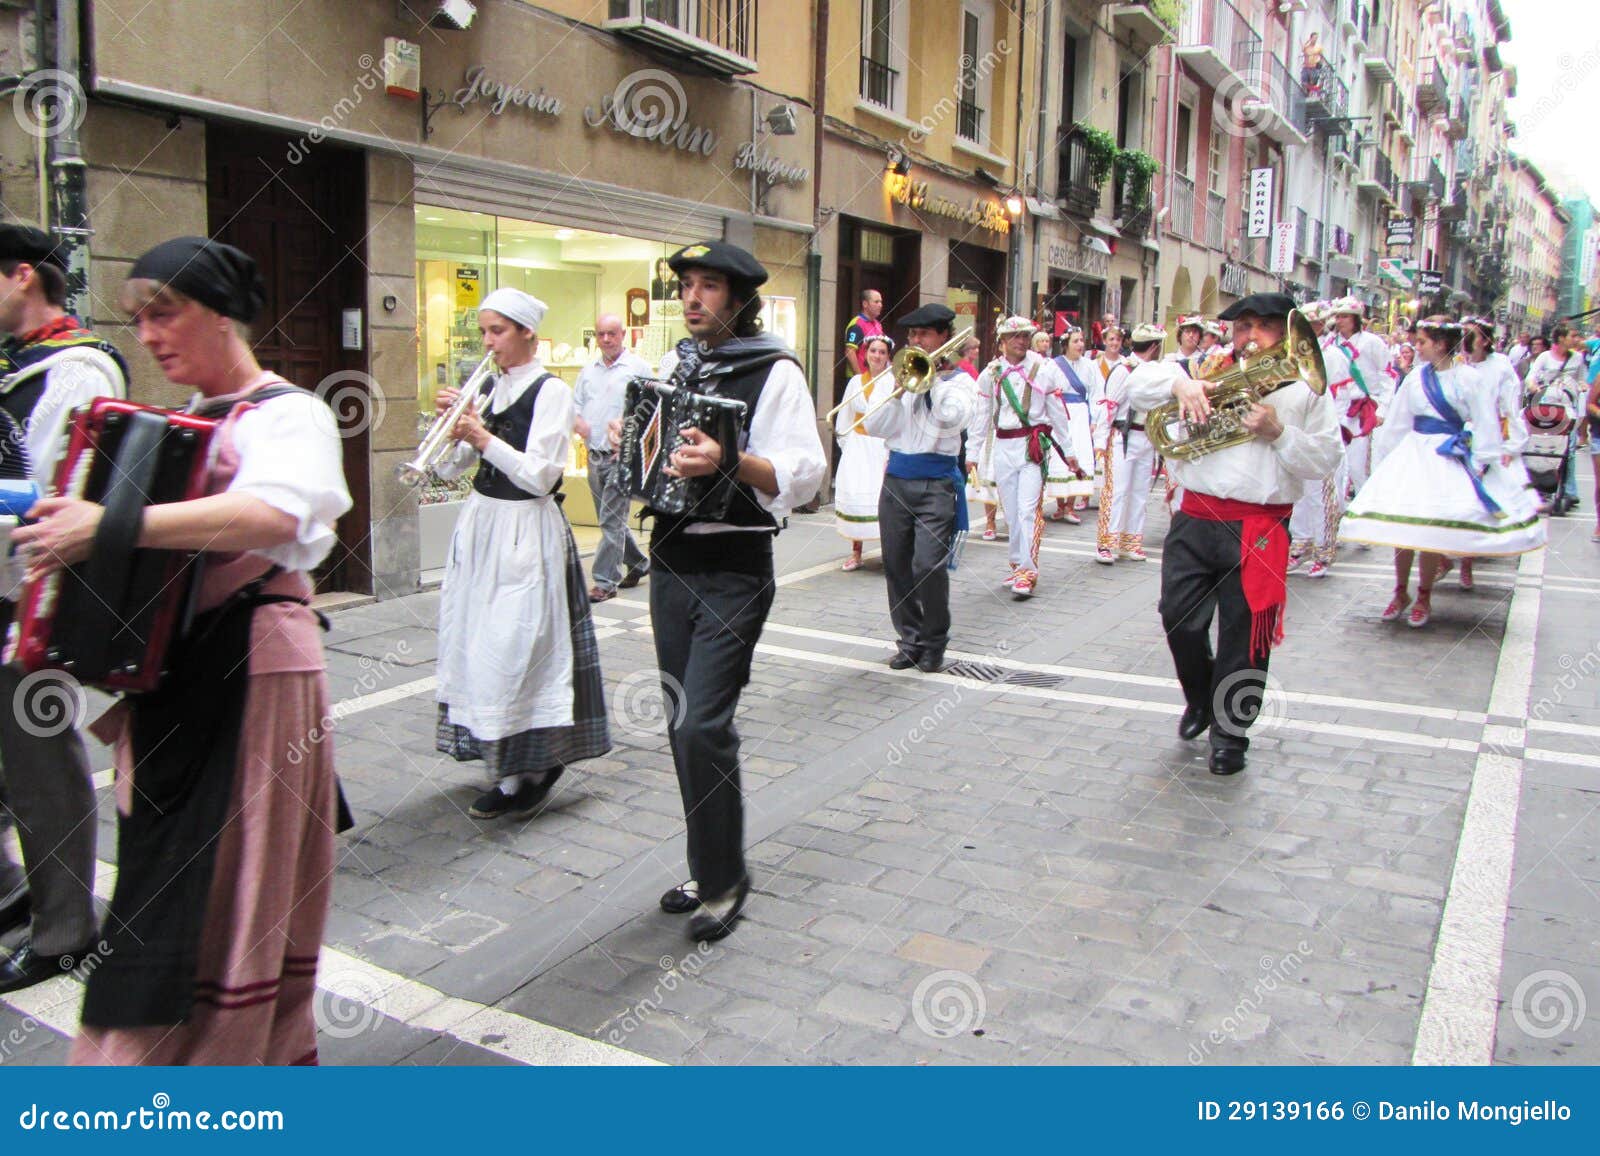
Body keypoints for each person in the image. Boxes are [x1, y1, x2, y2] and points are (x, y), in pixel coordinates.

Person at [14, 236, 351, 1062]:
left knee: (223, 886)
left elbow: (279, 514)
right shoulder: (180, 423)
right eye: (139, 320)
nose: (151, 336)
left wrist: (112, 527)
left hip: (255, 675)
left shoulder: (289, 412)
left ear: (225, 314)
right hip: (178, 681)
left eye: (166, 312)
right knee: (167, 882)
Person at [618, 241, 824, 942]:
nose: (694, 299)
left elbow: (804, 472)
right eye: (687, 287)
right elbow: (655, 461)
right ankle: (707, 868)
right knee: (681, 726)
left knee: (704, 723)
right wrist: (631, 439)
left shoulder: (772, 370)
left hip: (735, 567)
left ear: (738, 299)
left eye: (709, 287)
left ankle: (727, 878)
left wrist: (733, 458)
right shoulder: (677, 366)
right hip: (671, 561)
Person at [1130, 293, 1342, 776]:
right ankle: (1201, 698)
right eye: (1243, 327)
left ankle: (1231, 735)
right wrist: (1182, 384)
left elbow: (1325, 460)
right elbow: (1138, 384)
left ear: (1286, 335)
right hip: (1196, 515)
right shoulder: (1208, 368)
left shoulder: (1307, 390)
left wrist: (1280, 433)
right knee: (1177, 618)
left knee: (1246, 639)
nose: (1250, 337)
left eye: (1263, 327)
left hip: (1260, 525)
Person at [0, 224, 127, 994]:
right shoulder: (15, 369)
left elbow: (52, 497)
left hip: (28, 597)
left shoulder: (76, 369)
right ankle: (14, 890)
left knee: (38, 765)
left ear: (22, 277)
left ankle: (65, 930)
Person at [434, 288, 611, 820]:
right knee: (478, 645)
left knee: (517, 650)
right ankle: (506, 765)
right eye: (485, 331)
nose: (488, 342)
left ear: (527, 333)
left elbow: (539, 476)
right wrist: (452, 429)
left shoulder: (553, 392)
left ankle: (527, 771)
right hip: (483, 524)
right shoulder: (488, 386)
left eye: (497, 331)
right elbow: (447, 470)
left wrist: (482, 435)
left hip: (524, 530)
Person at [1342, 316, 1545, 627]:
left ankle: (1423, 594)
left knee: (1432, 528)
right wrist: (1387, 456)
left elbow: (1485, 419)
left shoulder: (1468, 379)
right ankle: (1400, 591)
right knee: (1404, 525)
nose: (1417, 347)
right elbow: (1399, 419)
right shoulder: (1414, 378)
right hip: (1415, 452)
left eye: (1422, 341)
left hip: (1448, 455)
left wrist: (1483, 459)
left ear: (1439, 344)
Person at [865, 303, 974, 670]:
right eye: (912, 336)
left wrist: (933, 383)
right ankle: (909, 640)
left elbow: (953, 419)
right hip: (896, 481)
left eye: (923, 335)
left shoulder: (960, 382)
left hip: (936, 484)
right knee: (896, 566)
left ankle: (934, 640)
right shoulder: (895, 376)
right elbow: (876, 426)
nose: (915, 341)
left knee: (927, 565)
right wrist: (897, 391)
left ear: (944, 337)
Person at [972, 316, 1076, 598]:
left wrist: (1070, 453)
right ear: (1002, 341)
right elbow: (981, 417)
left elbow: (1058, 414)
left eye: (1025, 336)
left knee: (1028, 509)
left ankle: (1028, 571)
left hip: (1031, 446)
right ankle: (1018, 563)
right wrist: (972, 453)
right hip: (1004, 447)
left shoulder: (1044, 369)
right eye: (1014, 336)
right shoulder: (991, 373)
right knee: (1011, 510)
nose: (1021, 341)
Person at [573, 312, 652, 603]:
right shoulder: (588, 371)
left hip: (622, 457)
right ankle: (640, 563)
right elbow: (575, 405)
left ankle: (605, 581)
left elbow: (653, 410)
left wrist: (632, 435)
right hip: (594, 456)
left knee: (610, 520)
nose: (606, 339)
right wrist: (577, 423)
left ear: (623, 334)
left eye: (612, 334)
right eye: (601, 334)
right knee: (611, 520)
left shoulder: (637, 368)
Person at [1286, 302, 1353, 580]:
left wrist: (1332, 427)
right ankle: (1300, 545)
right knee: (1299, 492)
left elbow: (1343, 393)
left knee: (1323, 494)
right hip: (1299, 428)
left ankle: (1324, 552)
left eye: (1312, 325)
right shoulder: (1293, 354)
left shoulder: (1334, 355)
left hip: (1320, 430)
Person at [1461, 315, 1529, 581]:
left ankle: (1466, 562)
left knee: (1476, 502)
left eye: (1471, 335)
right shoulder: (1454, 364)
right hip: (1455, 439)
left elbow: (1509, 408)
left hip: (1485, 441)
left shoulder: (1500, 368)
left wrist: (1510, 445)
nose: (1464, 341)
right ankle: (1443, 555)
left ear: (1485, 341)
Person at [1095, 323, 1165, 564]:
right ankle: (1106, 542)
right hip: (1123, 436)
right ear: (1154, 347)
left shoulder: (1155, 371)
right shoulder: (1123, 369)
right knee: (1117, 490)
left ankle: (1130, 541)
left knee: (1140, 492)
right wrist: (1100, 442)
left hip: (1146, 436)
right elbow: (1109, 405)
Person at [833, 333, 893, 569]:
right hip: (858, 445)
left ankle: (891, 552)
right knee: (857, 494)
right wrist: (847, 445)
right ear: (865, 354)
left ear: (888, 357)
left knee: (883, 497)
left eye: (882, 352)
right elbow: (845, 415)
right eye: (873, 351)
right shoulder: (856, 382)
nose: (877, 355)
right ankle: (856, 552)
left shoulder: (892, 381)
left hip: (881, 445)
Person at [1326, 297, 1391, 493]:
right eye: (1337, 316)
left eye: (1344, 316)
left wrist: (1382, 408)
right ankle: (1337, 509)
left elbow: (1387, 375)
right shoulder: (1329, 343)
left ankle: (1364, 503)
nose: (1339, 321)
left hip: (1363, 410)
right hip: (1336, 408)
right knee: (1335, 462)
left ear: (1355, 319)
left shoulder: (1373, 343)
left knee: (1359, 465)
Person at [1527, 325, 1587, 511]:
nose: (1576, 339)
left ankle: (1568, 491)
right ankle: (1539, 485)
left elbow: (1582, 380)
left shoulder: (1577, 358)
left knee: (1568, 450)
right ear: (1561, 338)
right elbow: (1531, 377)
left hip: (1568, 409)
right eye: (1573, 335)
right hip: (1545, 408)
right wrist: (1534, 387)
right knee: (1541, 447)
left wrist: (1582, 386)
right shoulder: (1545, 357)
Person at [1051, 327, 1101, 523]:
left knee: (1078, 454)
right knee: (1059, 456)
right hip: (1060, 412)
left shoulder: (1090, 366)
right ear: (1065, 344)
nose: (1080, 344)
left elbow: (1097, 393)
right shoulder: (1053, 365)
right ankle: (1060, 505)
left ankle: (1070, 506)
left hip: (1080, 414)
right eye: (1075, 341)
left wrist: (1094, 419)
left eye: (1081, 340)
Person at [1032, 329, 1082, 522]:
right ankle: (1055, 506)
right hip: (1037, 423)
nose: (1044, 344)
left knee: (1071, 459)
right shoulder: (1046, 365)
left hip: (1070, 414)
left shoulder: (1050, 365)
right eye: (1041, 340)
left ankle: (1069, 506)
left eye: (1047, 340)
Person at [844, 288, 886, 377]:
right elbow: (850, 351)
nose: (880, 305)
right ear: (865, 304)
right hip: (859, 378)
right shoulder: (857, 324)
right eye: (876, 302)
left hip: (873, 377)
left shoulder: (878, 325)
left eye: (881, 302)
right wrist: (859, 377)